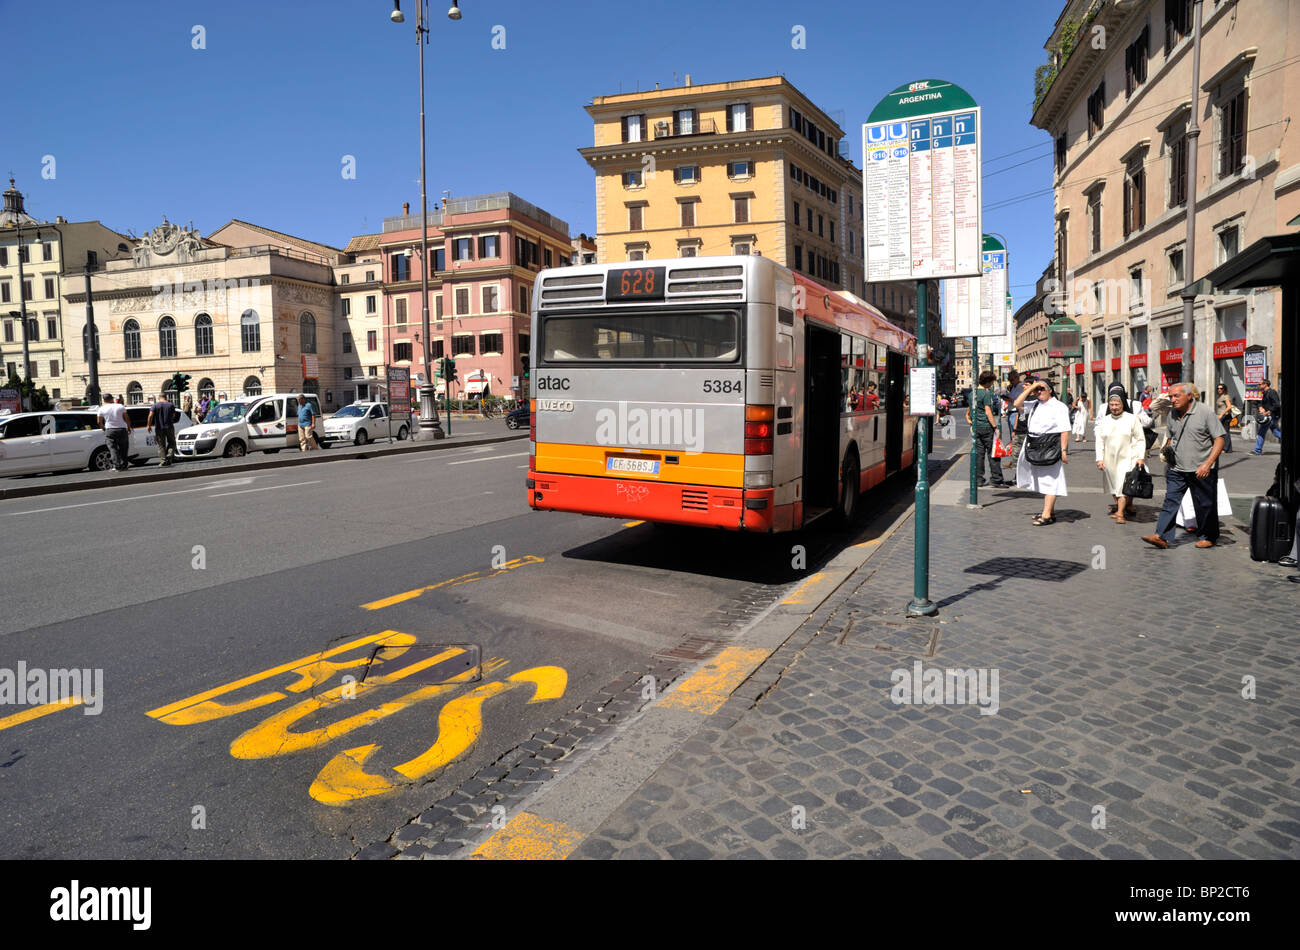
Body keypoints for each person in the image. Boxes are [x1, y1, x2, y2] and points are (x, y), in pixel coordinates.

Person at [1142, 382, 1226, 550]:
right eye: (1171, 396)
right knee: (1170, 502)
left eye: (1176, 396)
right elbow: (1172, 435)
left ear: (1189, 396)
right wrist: (1167, 450)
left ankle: (1208, 536)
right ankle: (1161, 536)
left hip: (1201, 468)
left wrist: (1208, 464)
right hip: (1177, 468)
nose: (1172, 400)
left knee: (1205, 505)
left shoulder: (1204, 412)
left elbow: (1220, 439)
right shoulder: (1172, 414)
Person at [1013, 379, 1071, 525]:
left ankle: (1046, 515)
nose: (1039, 392)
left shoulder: (1059, 407)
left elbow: (1065, 429)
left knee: (1050, 479)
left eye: (1042, 389)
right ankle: (1050, 512)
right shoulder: (1035, 404)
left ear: (1050, 390)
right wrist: (1032, 387)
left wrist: (1063, 450)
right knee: (1041, 479)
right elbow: (1016, 404)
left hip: (1050, 445)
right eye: (1037, 390)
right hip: (1034, 445)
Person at [1095, 392, 1146, 524]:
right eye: (1111, 404)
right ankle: (1120, 508)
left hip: (1128, 456)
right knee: (1113, 486)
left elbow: (1140, 439)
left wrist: (1140, 457)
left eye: (1117, 404)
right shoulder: (1104, 420)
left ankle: (1120, 514)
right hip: (1109, 459)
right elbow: (1099, 441)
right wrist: (1099, 458)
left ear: (1123, 404)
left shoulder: (1132, 419)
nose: (1114, 407)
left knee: (1122, 486)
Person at [966, 370, 1006, 488]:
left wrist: (970, 422)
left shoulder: (971, 393)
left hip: (976, 427)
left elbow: (969, 411)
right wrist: (995, 427)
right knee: (993, 453)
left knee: (979, 454)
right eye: (992, 382)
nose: (992, 384)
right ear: (987, 381)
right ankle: (996, 479)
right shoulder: (986, 393)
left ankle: (978, 479)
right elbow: (988, 412)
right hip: (986, 427)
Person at [95, 393, 132, 472]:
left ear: (104, 400)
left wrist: (104, 429)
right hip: (122, 429)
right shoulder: (120, 406)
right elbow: (127, 418)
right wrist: (128, 428)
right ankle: (124, 465)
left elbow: (99, 422)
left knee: (113, 449)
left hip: (110, 430)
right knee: (124, 448)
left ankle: (117, 466)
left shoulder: (101, 409)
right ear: (112, 399)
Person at [147, 392, 179, 466]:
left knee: (161, 444)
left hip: (159, 427)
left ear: (159, 398)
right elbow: (174, 415)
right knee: (172, 442)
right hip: (169, 427)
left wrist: (148, 425)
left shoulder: (155, 405)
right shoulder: (170, 405)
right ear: (166, 397)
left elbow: (150, 415)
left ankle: (163, 460)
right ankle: (169, 455)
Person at [1251, 379, 1282, 455]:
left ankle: (1257, 450)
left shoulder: (1272, 392)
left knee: (1261, 432)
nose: (1259, 385)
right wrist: (1260, 407)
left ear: (1265, 384)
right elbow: (1261, 403)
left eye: (1260, 384)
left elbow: (1277, 404)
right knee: (1276, 432)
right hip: (1270, 415)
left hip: (1271, 415)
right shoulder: (1264, 393)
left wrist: (1267, 412)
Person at [1215, 383, 1237, 453]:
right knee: (1224, 432)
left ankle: (1225, 448)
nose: (1219, 390)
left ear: (1224, 389)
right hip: (1221, 415)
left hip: (1225, 416)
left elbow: (1229, 406)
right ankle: (1228, 448)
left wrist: (1221, 414)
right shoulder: (1220, 397)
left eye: (1221, 388)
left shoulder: (1226, 396)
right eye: (1218, 388)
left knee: (1225, 432)